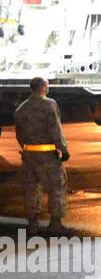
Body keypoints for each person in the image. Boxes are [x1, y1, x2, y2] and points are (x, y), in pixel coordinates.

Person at [13, 77, 69, 235]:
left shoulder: (21, 109)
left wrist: (27, 149)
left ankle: (33, 225)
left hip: (29, 154)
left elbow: (19, 135)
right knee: (56, 186)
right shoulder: (49, 104)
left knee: (31, 189)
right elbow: (55, 129)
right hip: (47, 155)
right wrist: (63, 149)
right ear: (44, 87)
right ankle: (55, 224)